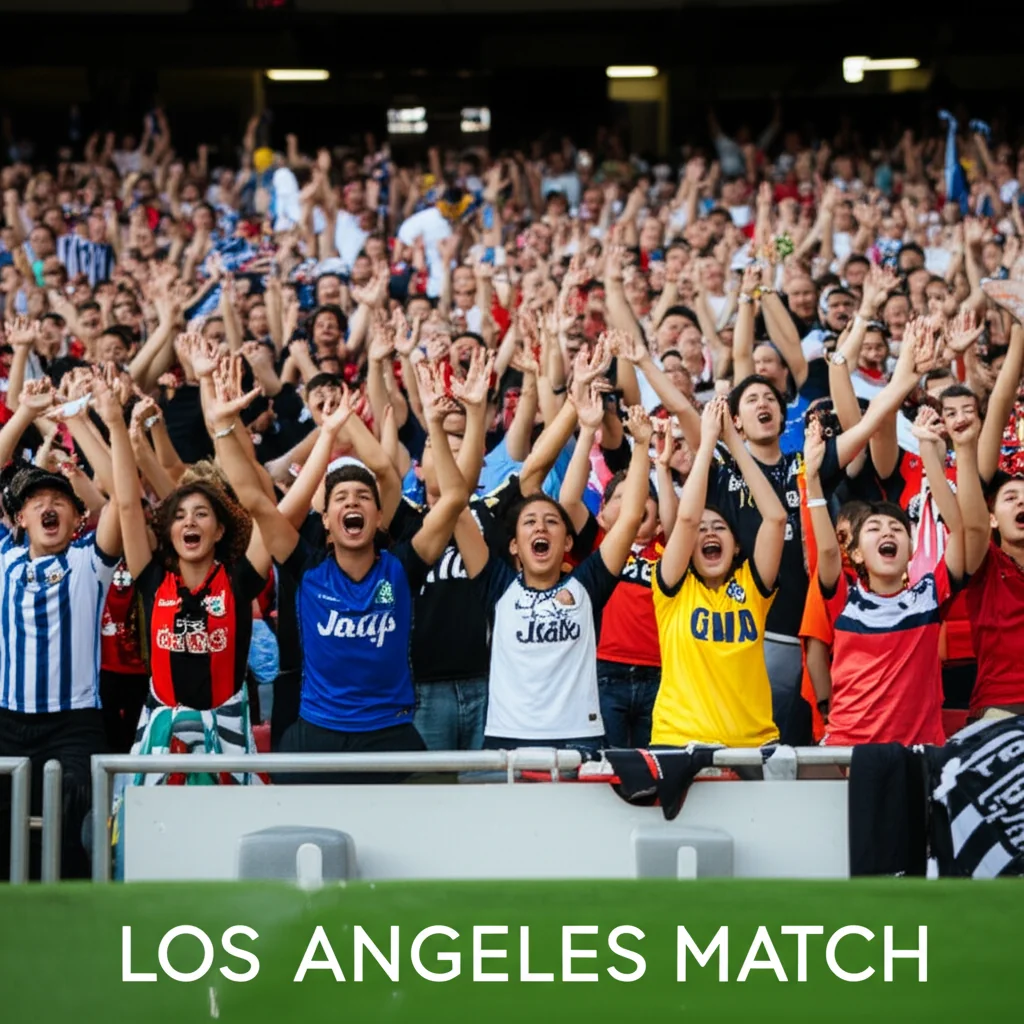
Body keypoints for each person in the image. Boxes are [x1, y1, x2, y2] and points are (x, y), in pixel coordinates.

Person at [214, 358, 469, 782]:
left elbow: (456, 497)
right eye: (341, 497)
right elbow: (254, 499)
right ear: (327, 522)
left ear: (379, 516)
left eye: (363, 496)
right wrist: (224, 426)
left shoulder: (402, 567)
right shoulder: (305, 567)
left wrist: (435, 426)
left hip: (390, 736)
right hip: (316, 736)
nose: (352, 501)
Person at [453, 403, 654, 755]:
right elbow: (456, 503)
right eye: (530, 522)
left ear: (568, 542)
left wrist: (640, 446)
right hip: (508, 740)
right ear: (514, 545)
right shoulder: (498, 586)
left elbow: (631, 516)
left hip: (579, 740)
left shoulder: (587, 585)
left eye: (551, 521)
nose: (541, 527)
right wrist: (451, 420)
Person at [0, 377, 123, 878]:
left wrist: (79, 420)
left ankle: (70, 917)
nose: (47, 506)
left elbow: (122, 496)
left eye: (59, 500)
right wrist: (24, 414)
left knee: (72, 837)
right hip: (6, 719)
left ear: (78, 519)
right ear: (20, 519)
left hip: (74, 724)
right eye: (36, 501)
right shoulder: (3, 562)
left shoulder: (90, 563)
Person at [806, 405, 977, 747]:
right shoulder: (845, 598)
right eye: (874, 528)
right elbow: (827, 551)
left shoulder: (929, 595)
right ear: (855, 553)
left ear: (910, 549)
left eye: (897, 528)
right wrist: (812, 479)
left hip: (917, 753)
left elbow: (959, 531)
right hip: (850, 752)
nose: (887, 532)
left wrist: (930, 457)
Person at [651, 396, 787, 748]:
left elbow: (775, 518)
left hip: (753, 745)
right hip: (679, 743)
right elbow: (686, 518)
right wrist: (708, 440)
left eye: (720, 528)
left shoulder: (752, 585)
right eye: (702, 530)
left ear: (737, 545)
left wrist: (733, 443)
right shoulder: (673, 588)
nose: (709, 533)